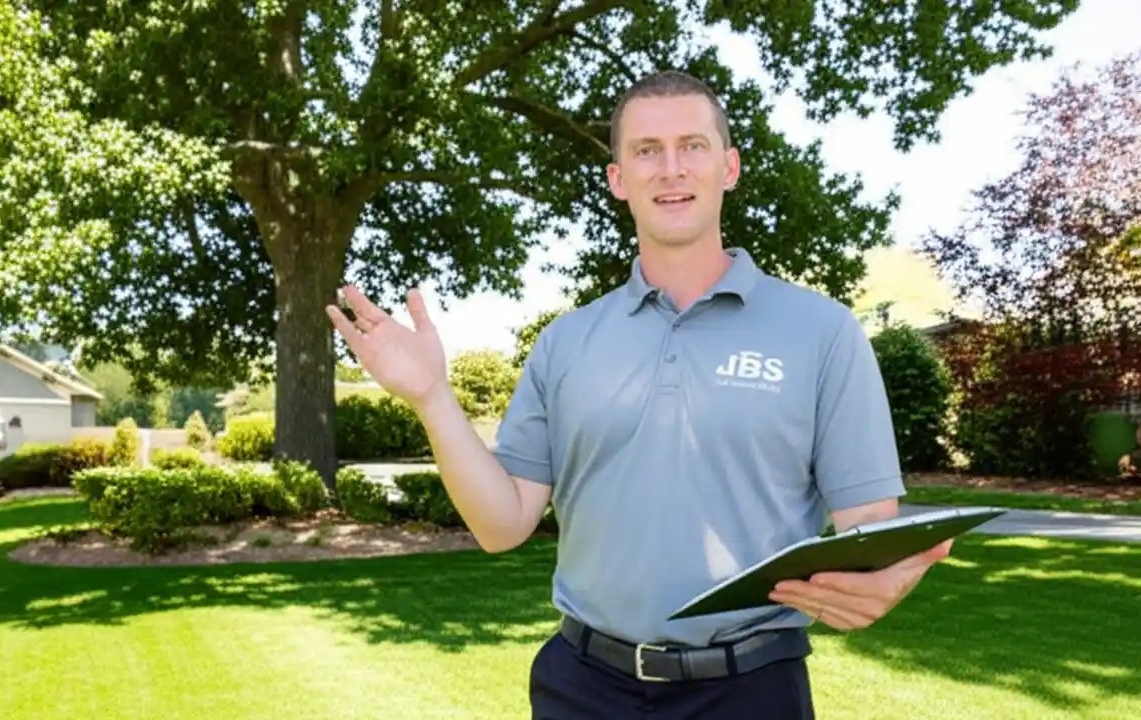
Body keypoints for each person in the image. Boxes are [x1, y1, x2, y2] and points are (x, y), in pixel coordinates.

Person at [326, 70, 953, 720]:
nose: (671, 168)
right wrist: (432, 397)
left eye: (693, 146)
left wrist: (884, 576)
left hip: (751, 690)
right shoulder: (565, 343)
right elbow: (501, 525)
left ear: (730, 167)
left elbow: (867, 527)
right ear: (618, 179)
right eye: (647, 150)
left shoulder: (822, 332)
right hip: (583, 689)